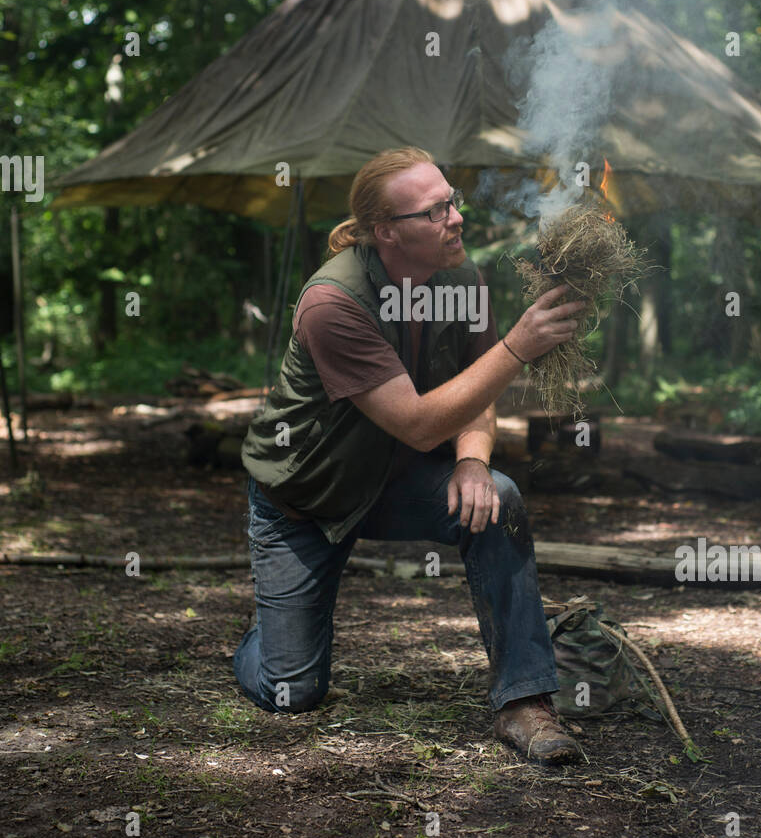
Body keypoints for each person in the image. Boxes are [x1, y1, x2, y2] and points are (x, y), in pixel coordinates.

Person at [234, 147, 585, 764]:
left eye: (453, 201)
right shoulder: (334, 304)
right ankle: (267, 632)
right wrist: (518, 346)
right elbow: (421, 425)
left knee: (498, 498)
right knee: (290, 692)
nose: (455, 218)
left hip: (395, 481)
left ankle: (524, 702)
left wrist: (474, 461)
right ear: (386, 232)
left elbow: (476, 388)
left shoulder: (461, 278)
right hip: (307, 497)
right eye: (435, 211)